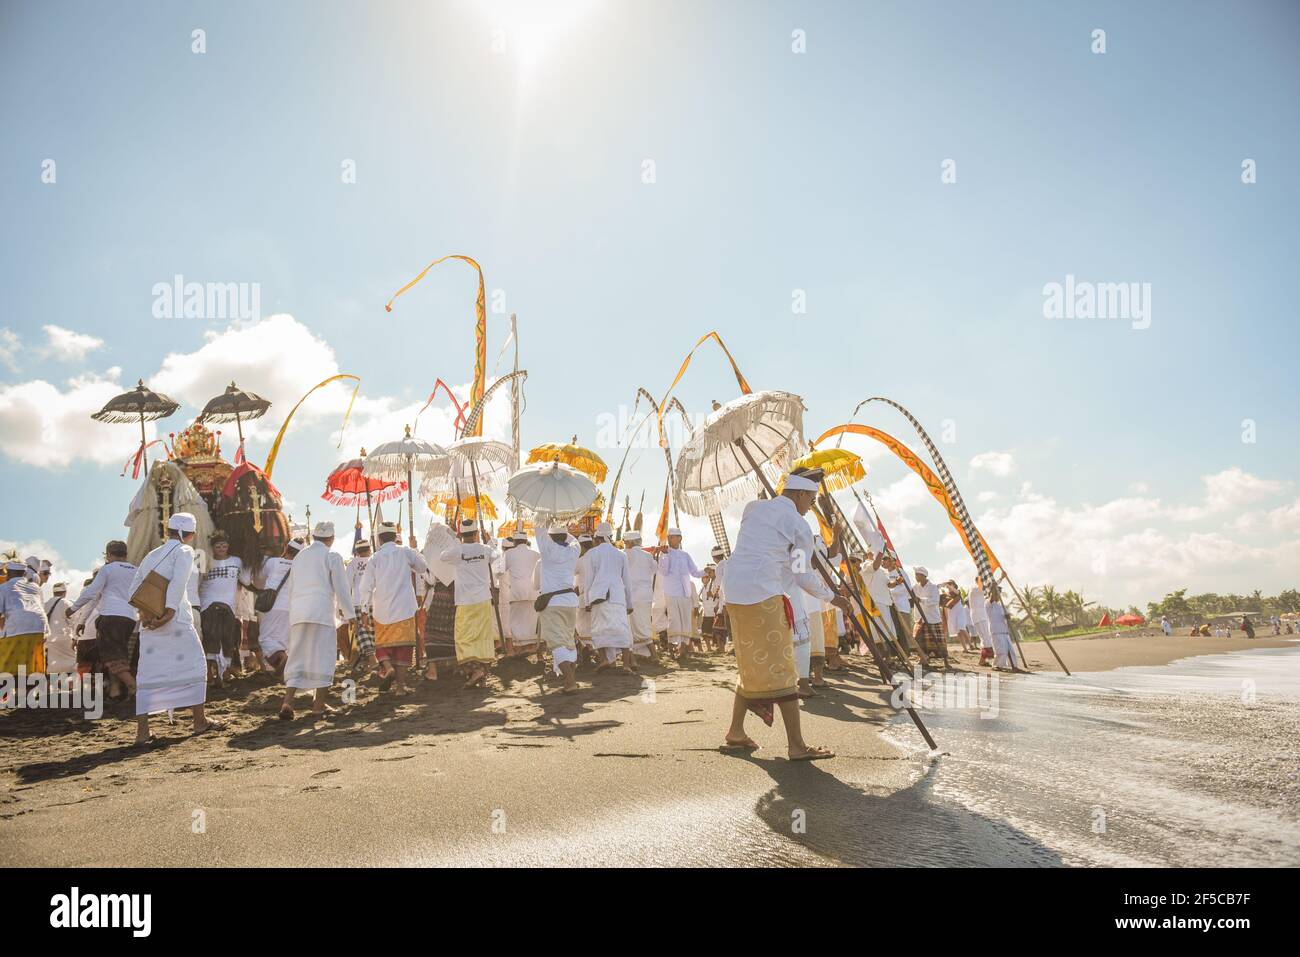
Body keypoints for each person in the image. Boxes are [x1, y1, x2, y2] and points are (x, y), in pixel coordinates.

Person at [721, 468, 846, 760]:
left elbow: (772, 550)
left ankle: (736, 731)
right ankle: (797, 746)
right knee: (784, 667)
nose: (810, 506)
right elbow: (802, 574)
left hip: (735, 593)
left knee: (752, 663)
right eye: (811, 500)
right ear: (800, 494)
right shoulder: (799, 526)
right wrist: (834, 598)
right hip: (762, 593)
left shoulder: (753, 508)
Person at [129, 513, 221, 744]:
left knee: (148, 673)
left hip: (149, 622)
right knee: (196, 664)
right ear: (189, 534)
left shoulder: (151, 554)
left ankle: (142, 733)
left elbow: (134, 588)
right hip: (175, 619)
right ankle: (199, 722)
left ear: (168, 531)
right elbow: (178, 583)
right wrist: (168, 612)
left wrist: (145, 614)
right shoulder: (184, 551)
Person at [281, 521, 355, 719]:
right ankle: (318, 705)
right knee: (324, 657)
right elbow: (342, 587)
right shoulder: (332, 555)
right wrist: (350, 615)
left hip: (299, 612)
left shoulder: (300, 557)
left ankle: (288, 701)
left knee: (297, 656)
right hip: (321, 612)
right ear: (331, 539)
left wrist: (293, 614)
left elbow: (291, 588)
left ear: (314, 537)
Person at [359, 521, 429, 696]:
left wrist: (364, 610)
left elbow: (365, 586)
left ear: (379, 539)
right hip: (404, 608)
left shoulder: (375, 558)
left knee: (383, 644)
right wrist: (415, 548)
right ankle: (399, 687)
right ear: (394, 536)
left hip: (382, 609)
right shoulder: (406, 552)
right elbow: (422, 567)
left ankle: (388, 667)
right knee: (403, 649)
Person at [67, 540, 139, 697]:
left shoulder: (107, 569)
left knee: (111, 655)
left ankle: (132, 685)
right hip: (132, 619)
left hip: (111, 617)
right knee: (122, 654)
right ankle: (115, 690)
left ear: (109, 555)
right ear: (126, 554)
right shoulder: (136, 570)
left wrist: (73, 610)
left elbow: (91, 594)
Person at [439, 518, 499, 689]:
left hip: (465, 601)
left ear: (461, 534)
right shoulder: (486, 549)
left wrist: (456, 541)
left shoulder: (457, 551)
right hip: (482, 599)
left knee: (463, 638)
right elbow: (497, 557)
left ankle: (477, 670)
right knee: (482, 637)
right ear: (477, 533)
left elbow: (443, 556)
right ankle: (480, 670)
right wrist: (490, 541)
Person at [536, 518, 581, 693]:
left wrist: (548, 519)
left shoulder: (547, 549)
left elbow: (538, 527)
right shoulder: (574, 550)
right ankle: (570, 679)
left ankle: (570, 681)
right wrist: (559, 520)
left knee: (556, 643)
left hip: (553, 602)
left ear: (551, 537)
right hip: (570, 601)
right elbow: (572, 539)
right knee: (568, 641)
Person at [584, 522, 637, 673]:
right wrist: (629, 603)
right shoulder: (621, 554)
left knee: (598, 629)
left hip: (598, 596)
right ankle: (626, 665)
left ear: (597, 538)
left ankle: (605, 660)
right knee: (622, 629)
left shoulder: (592, 554)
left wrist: (587, 601)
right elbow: (627, 580)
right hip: (618, 596)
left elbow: (589, 579)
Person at [198, 531, 244, 685]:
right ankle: (210, 675)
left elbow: (244, 579)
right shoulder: (206, 562)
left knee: (227, 639)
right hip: (208, 604)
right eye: (218, 546)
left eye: (224, 545)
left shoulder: (237, 561)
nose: (222, 548)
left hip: (229, 606)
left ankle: (224, 673)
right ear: (213, 547)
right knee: (211, 639)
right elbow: (196, 581)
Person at [253, 539, 300, 676]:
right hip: (291, 607)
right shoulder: (300, 566)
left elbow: (258, 579)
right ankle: (283, 666)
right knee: (284, 641)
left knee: (265, 639)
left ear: (286, 548)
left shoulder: (272, 562)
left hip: (272, 606)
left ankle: (282, 660)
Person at [657, 527, 703, 659]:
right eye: (669, 537)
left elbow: (694, 572)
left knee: (685, 621)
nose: (670, 539)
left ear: (679, 538)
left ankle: (682, 649)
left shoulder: (685, 555)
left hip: (685, 593)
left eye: (673, 537)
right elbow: (663, 572)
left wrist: (706, 571)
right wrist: (665, 555)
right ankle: (672, 649)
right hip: (671, 592)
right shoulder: (664, 554)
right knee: (674, 620)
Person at [0, 558, 48, 679]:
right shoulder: (35, 587)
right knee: (31, 665)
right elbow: (41, 608)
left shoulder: (4, 587)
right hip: (39, 627)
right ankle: (28, 693)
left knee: (6, 664)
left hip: (18, 625)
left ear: (8, 573)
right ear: (24, 573)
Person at [502, 530, 540, 658]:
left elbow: (500, 571)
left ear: (515, 542)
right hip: (533, 590)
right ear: (525, 541)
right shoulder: (536, 554)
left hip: (517, 591)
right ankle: (530, 646)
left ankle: (518, 648)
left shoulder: (509, 553)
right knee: (530, 620)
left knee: (516, 620)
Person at [622, 530, 658, 663]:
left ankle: (652, 654)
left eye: (625, 542)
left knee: (634, 626)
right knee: (644, 624)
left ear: (630, 543)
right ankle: (642, 654)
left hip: (632, 596)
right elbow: (654, 569)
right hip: (646, 595)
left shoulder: (625, 554)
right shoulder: (648, 556)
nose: (624, 545)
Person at [343, 536, 375, 673]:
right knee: (373, 633)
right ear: (369, 549)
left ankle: (372, 661)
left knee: (362, 633)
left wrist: (343, 607)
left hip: (358, 602)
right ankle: (373, 661)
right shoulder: (375, 560)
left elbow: (346, 585)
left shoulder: (352, 564)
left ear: (356, 551)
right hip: (376, 600)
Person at [911, 566, 947, 665]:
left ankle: (944, 660)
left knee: (937, 643)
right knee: (918, 639)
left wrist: (921, 600)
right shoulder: (914, 587)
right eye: (915, 574)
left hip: (932, 618)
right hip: (919, 618)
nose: (916, 576)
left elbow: (935, 601)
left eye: (917, 574)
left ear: (923, 575)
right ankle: (923, 657)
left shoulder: (933, 587)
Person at [43, 582, 77, 677]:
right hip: (65, 639)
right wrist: (75, 637)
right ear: (65, 592)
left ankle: (53, 687)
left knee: (53, 666)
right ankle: (69, 687)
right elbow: (74, 620)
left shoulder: (45, 604)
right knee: (70, 665)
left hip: (50, 640)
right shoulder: (66, 603)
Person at [968, 578, 994, 666]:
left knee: (985, 638)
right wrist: (999, 579)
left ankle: (983, 660)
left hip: (980, 616)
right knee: (986, 638)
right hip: (979, 616)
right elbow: (989, 587)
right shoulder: (975, 588)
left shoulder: (977, 589)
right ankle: (983, 660)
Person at [941, 582, 972, 652]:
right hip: (952, 613)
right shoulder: (947, 594)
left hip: (960, 612)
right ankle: (965, 649)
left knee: (962, 627)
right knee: (958, 631)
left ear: (954, 585)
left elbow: (955, 592)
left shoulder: (958, 592)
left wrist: (948, 585)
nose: (948, 586)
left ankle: (970, 644)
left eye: (950, 584)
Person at [699, 565, 723, 652]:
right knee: (705, 631)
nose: (704, 578)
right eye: (703, 577)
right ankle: (709, 648)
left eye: (706, 576)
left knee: (715, 631)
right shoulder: (702, 588)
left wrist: (712, 595)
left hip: (713, 611)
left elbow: (718, 595)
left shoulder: (712, 584)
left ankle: (719, 648)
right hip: (706, 612)